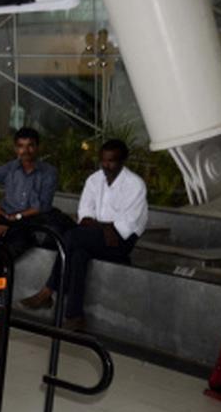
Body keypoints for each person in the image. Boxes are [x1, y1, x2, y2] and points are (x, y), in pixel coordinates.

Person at [21, 139, 147, 328]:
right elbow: (85, 214)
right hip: (94, 235)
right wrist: (104, 226)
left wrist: (100, 226)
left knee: (71, 236)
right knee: (78, 254)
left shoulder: (135, 184)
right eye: (103, 160)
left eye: (111, 161)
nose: (106, 165)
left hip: (121, 243)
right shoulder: (94, 180)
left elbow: (124, 228)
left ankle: (48, 290)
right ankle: (74, 316)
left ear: (123, 161)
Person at [0, 127, 74, 262]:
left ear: (38, 147)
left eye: (30, 146)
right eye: (21, 146)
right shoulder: (9, 168)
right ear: (16, 149)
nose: (25, 151)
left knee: (14, 243)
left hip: (32, 217)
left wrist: (12, 219)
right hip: (6, 215)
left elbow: (42, 206)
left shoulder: (49, 172)